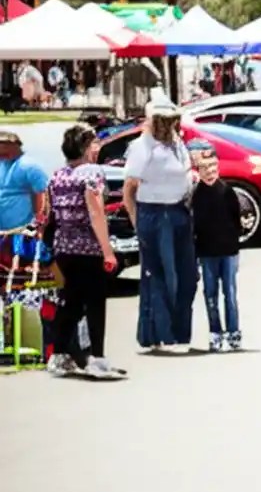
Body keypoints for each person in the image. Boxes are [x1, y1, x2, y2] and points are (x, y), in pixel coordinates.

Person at [123, 102, 198, 354]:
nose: (169, 126)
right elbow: (129, 189)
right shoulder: (142, 147)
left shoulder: (177, 144)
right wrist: (137, 220)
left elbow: (186, 172)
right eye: (164, 121)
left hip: (178, 211)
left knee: (185, 275)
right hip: (153, 213)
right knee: (158, 276)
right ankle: (157, 333)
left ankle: (179, 332)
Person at [45, 124, 116, 377]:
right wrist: (107, 250)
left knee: (70, 303)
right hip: (88, 248)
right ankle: (97, 357)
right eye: (94, 144)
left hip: (64, 249)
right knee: (95, 303)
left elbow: (50, 214)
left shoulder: (57, 176)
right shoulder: (92, 173)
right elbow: (96, 212)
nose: (97, 148)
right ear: (86, 149)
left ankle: (59, 355)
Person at [191, 153, 242, 352]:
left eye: (214, 169)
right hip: (206, 251)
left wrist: (234, 241)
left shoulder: (227, 191)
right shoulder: (196, 194)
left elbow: (236, 218)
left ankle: (234, 331)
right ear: (199, 172)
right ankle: (215, 332)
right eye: (206, 169)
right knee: (210, 293)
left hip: (228, 249)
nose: (210, 173)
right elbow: (195, 223)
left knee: (229, 291)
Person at [0, 130, 49, 233]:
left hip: (22, 229)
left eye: (3, 145)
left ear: (15, 146)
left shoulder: (29, 166)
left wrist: (38, 227)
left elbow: (45, 197)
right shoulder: (2, 164)